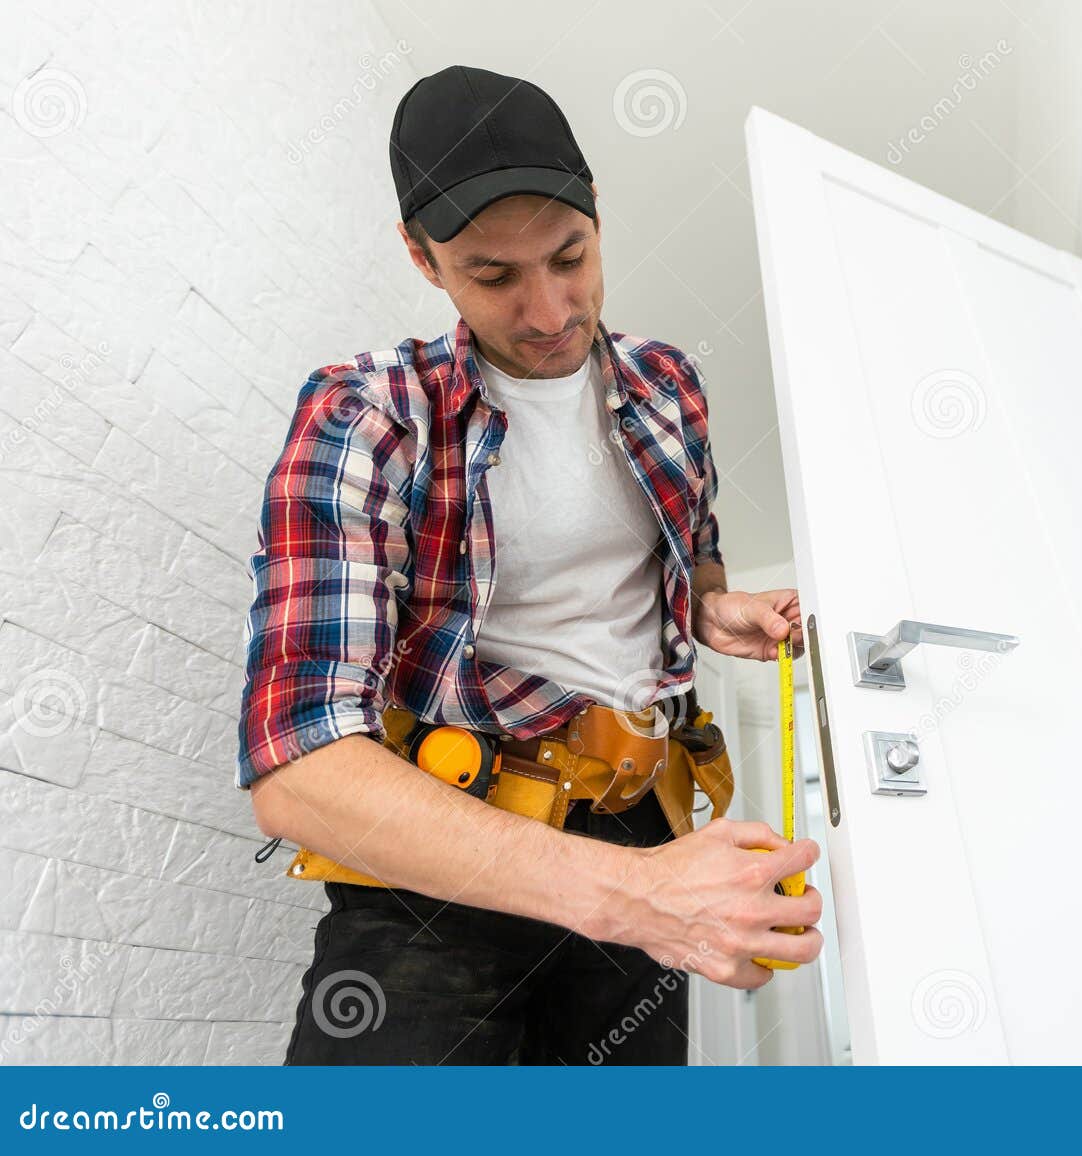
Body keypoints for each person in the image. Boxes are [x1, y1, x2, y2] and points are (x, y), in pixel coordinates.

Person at [236, 65, 823, 1065]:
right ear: (423, 260)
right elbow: (301, 770)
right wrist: (640, 901)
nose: (550, 311)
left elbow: (689, 555)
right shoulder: (364, 413)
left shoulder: (667, 384)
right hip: (442, 872)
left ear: (597, 214)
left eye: (571, 256)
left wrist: (711, 609)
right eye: (494, 275)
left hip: (645, 827)